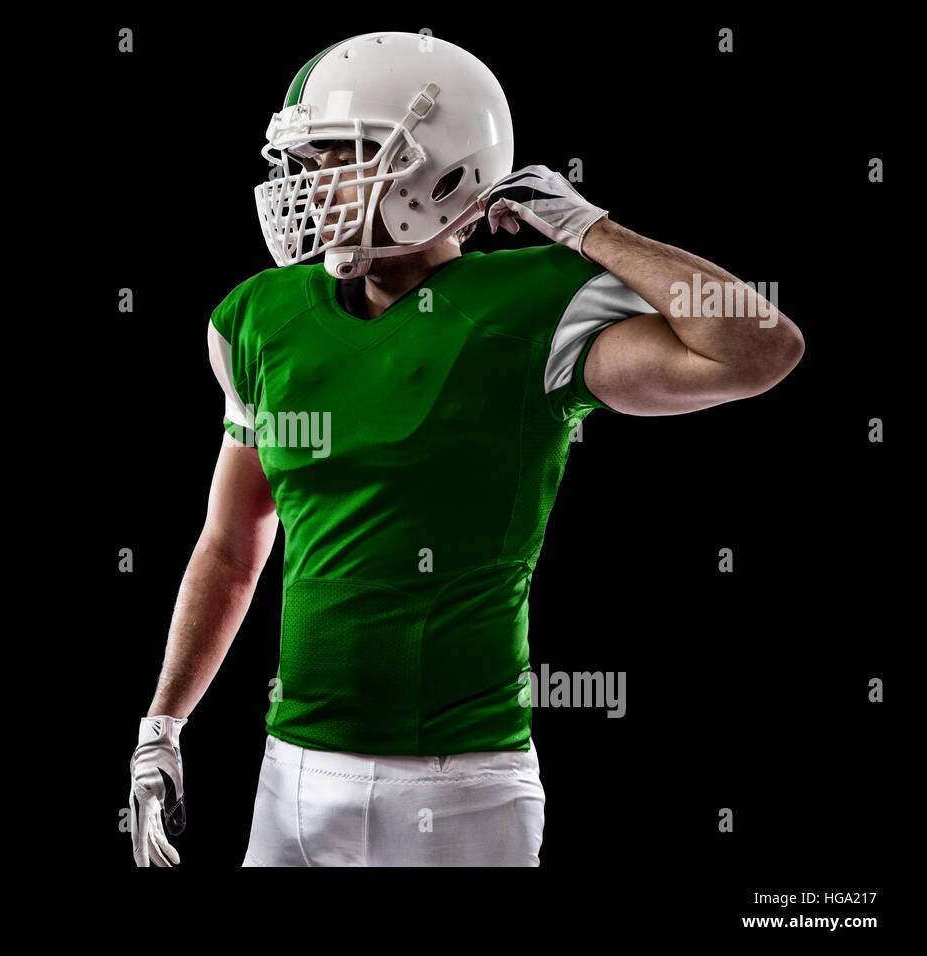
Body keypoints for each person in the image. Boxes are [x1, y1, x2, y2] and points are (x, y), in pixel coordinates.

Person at [130, 31, 804, 867]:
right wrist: (163, 720)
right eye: (302, 162)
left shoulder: (527, 306)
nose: (307, 186)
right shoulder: (259, 315)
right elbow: (232, 548)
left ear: (439, 166)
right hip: (289, 774)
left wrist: (592, 230)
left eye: (338, 157)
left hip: (460, 786)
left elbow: (757, 350)